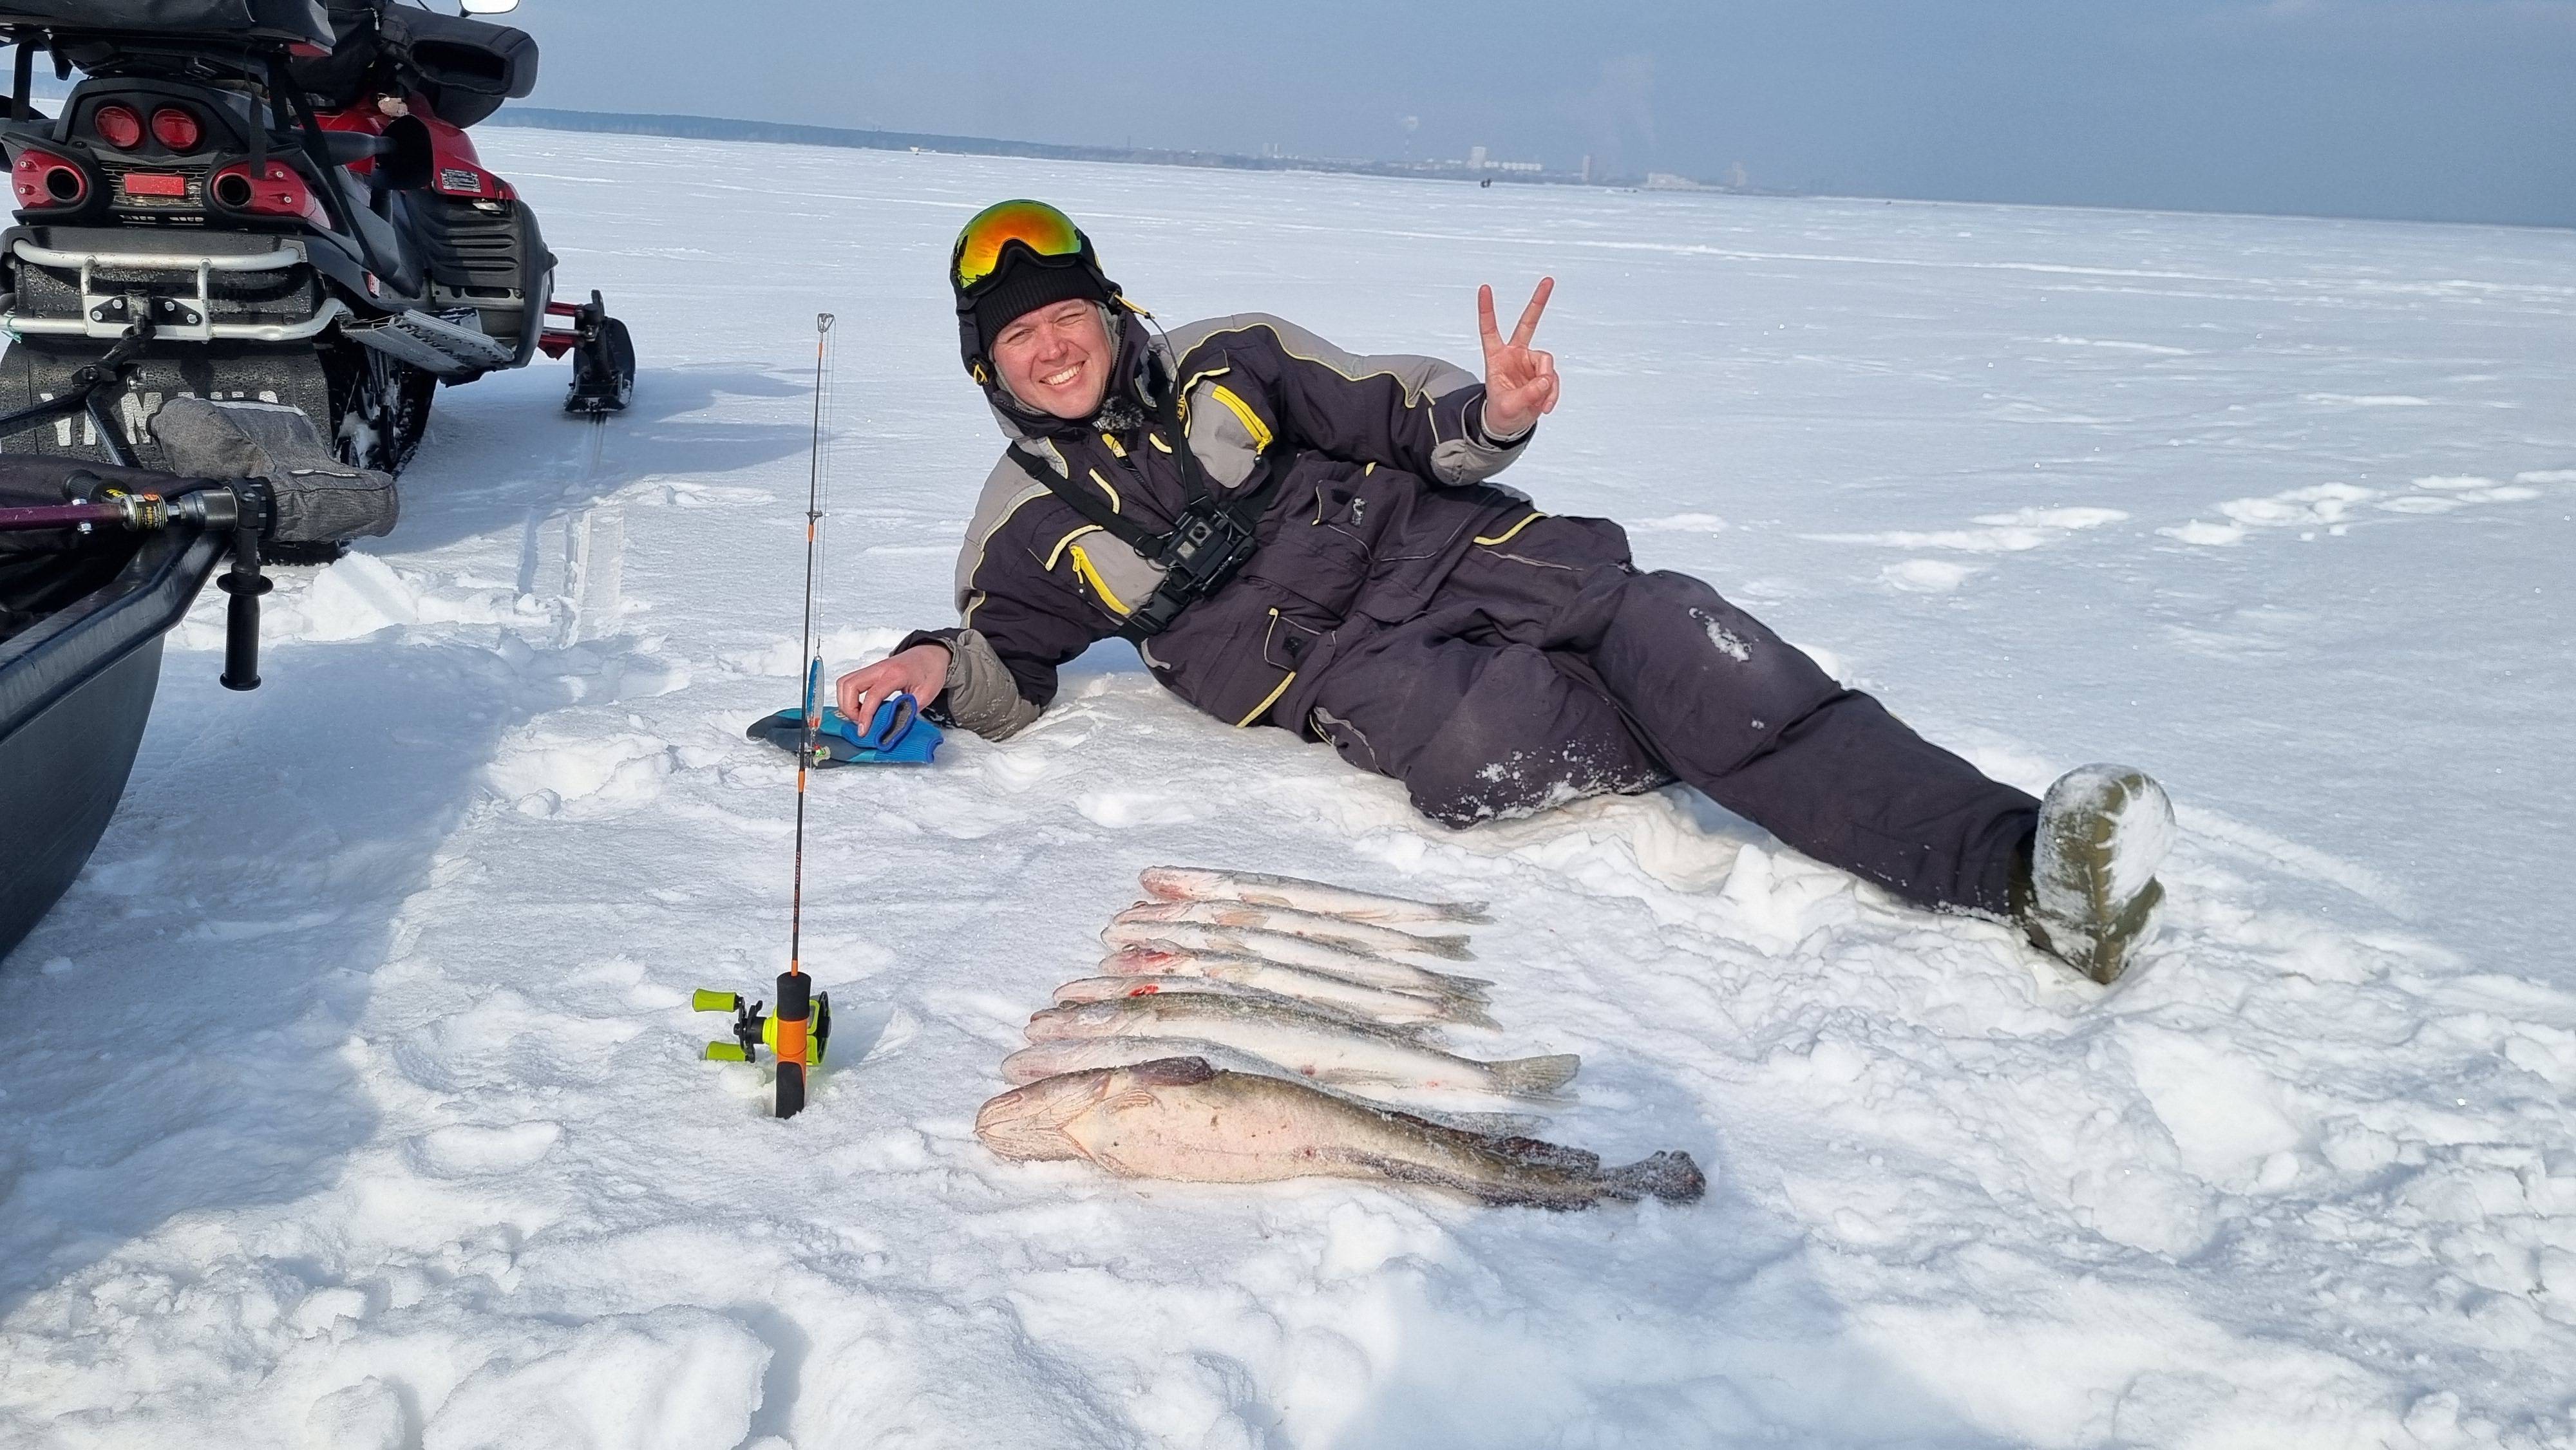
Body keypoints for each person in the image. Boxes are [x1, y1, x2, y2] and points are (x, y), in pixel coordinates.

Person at [837, 200, 2174, 983]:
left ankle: (2017, 867)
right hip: (1352, 679)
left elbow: (1403, 410)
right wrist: (926, 673)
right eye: (1019, 336)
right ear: (989, 371)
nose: (1052, 344)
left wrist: (1497, 408)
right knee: (1493, 743)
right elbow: (1005, 661)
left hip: (1466, 552)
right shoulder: (1022, 528)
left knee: (1688, 638)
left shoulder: (1223, 356)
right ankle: (1686, 731)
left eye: (1063, 312)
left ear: (1105, 307)